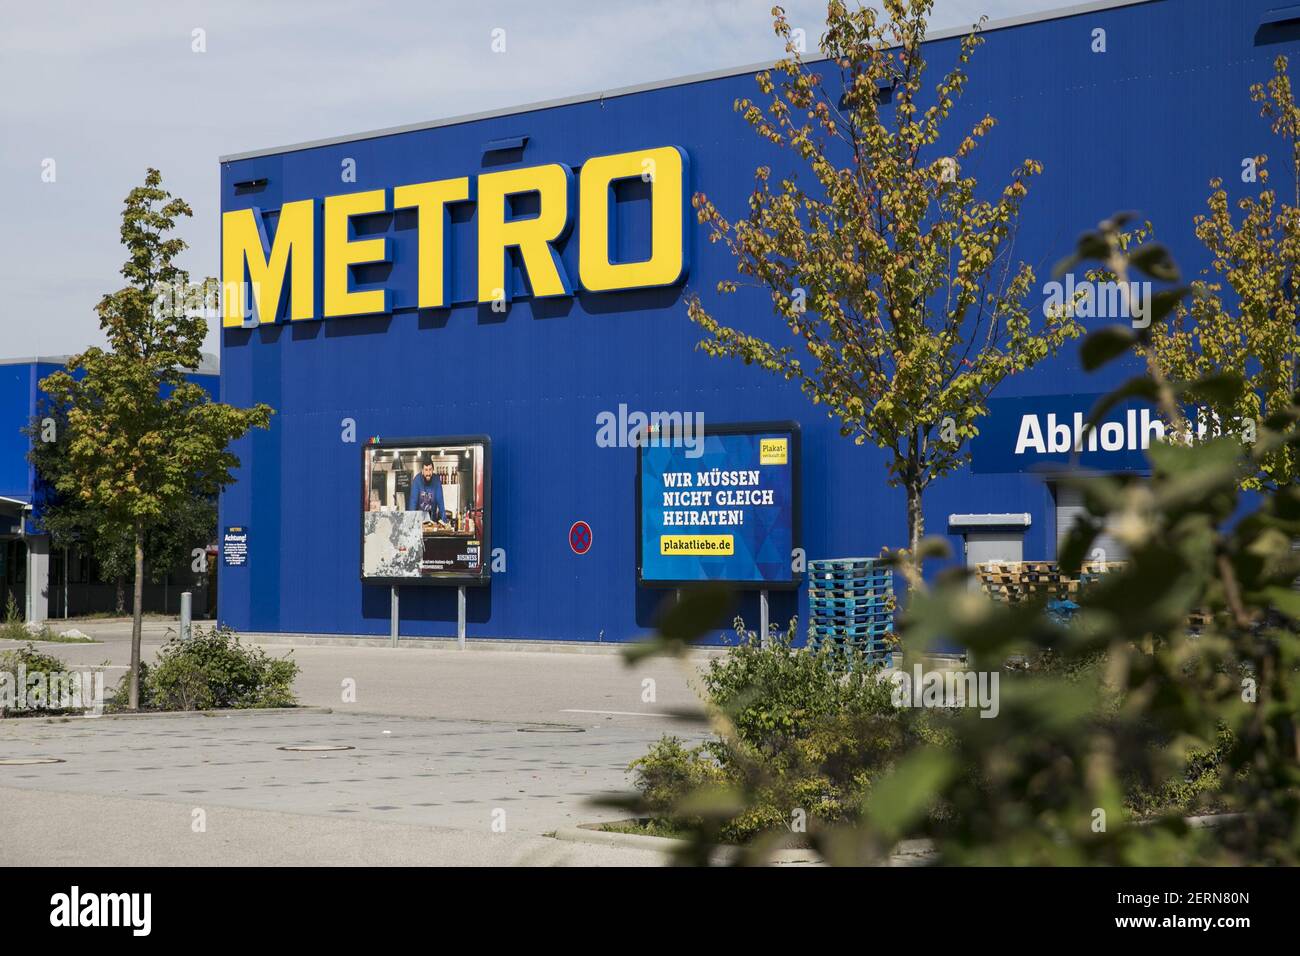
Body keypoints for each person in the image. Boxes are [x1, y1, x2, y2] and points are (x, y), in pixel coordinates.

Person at [407, 458, 446, 522]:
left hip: (432, 522)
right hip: (418, 522)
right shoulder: (416, 481)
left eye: (430, 469)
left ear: (433, 470)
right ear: (422, 471)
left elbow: (441, 503)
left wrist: (445, 523)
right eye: (426, 470)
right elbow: (413, 503)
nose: (428, 473)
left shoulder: (437, 481)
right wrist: (412, 523)